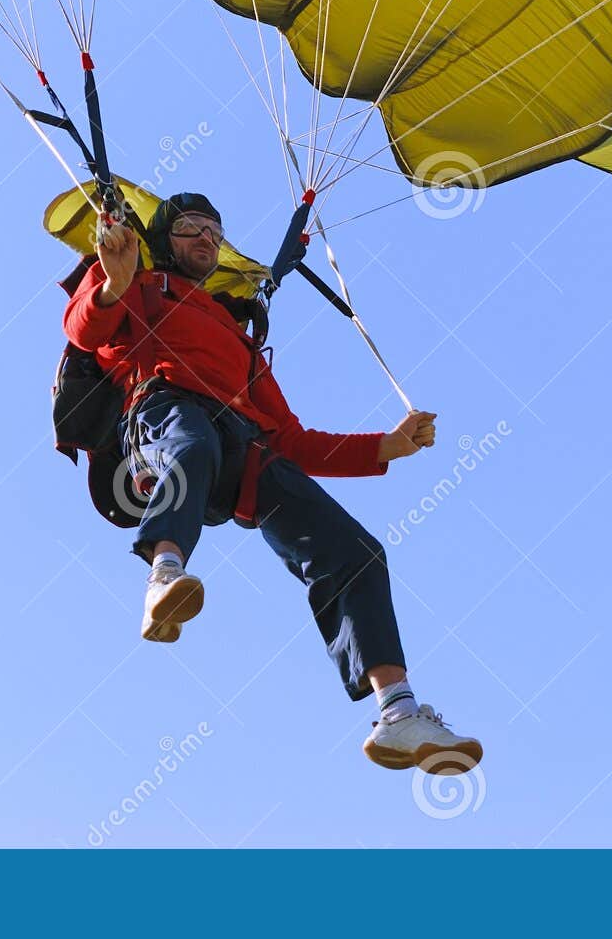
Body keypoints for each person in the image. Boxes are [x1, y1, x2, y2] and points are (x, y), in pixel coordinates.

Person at [62, 193, 483, 773]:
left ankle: (397, 714)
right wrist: (114, 279)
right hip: (163, 411)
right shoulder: (140, 284)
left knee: (355, 552)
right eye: (189, 228)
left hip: (249, 449)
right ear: (164, 239)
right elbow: (86, 330)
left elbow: (292, 438)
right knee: (193, 442)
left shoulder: (241, 339)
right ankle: (164, 574)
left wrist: (388, 445)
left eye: (214, 229)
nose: (206, 239)